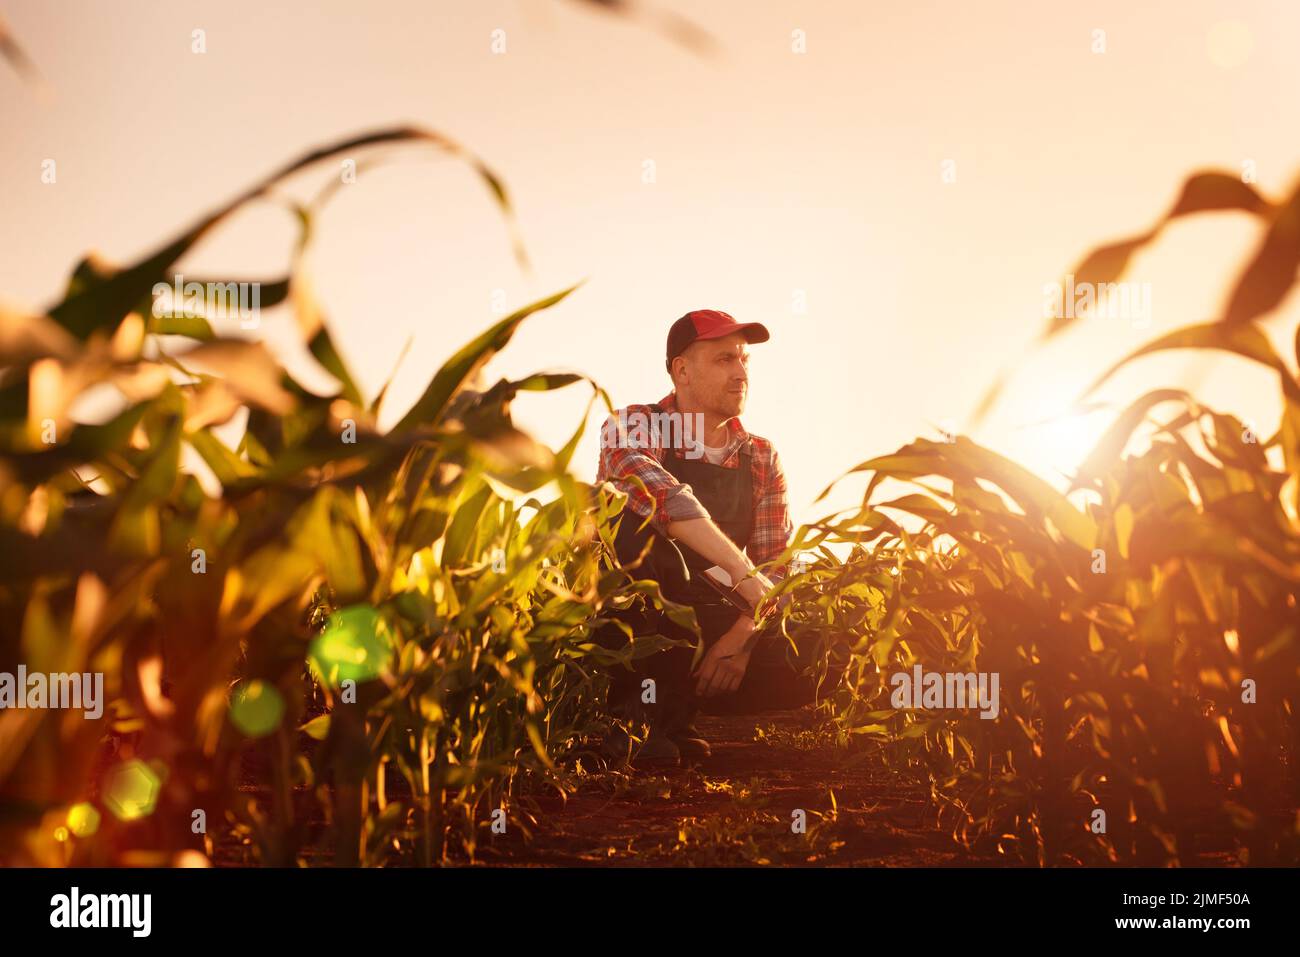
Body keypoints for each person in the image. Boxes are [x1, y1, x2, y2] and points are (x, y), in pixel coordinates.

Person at [595, 309, 817, 768]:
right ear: (681, 370)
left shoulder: (760, 455)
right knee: (631, 534)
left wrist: (745, 634)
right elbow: (658, 494)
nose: (740, 373)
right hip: (642, 616)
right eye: (723, 360)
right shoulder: (636, 422)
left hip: (716, 627)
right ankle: (628, 723)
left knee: (820, 641)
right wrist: (742, 572)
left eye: (743, 360)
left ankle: (684, 711)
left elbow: (775, 562)